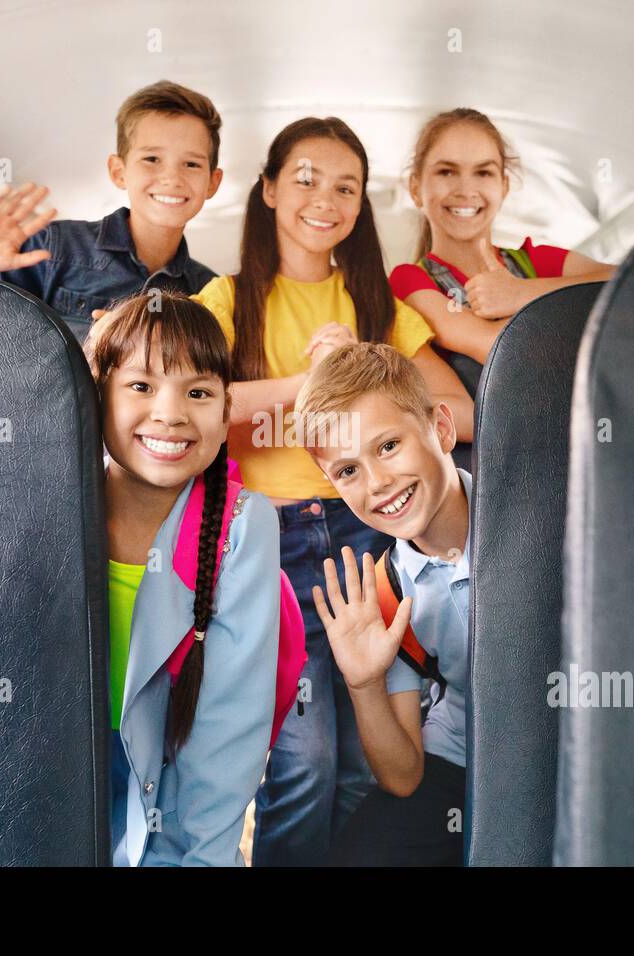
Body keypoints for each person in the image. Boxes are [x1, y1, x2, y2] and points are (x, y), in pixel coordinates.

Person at [191, 116, 473, 866]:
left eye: (347, 186)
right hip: (272, 542)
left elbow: (463, 411)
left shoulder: (377, 304)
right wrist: (317, 385)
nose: (327, 198)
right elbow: (202, 410)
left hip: (368, 538)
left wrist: (370, 365)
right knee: (301, 764)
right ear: (271, 190)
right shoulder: (225, 297)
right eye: (307, 179)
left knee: (362, 763)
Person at [86, 291, 280, 866]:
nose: (170, 414)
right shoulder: (48, 501)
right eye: (141, 386)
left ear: (226, 417)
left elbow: (226, 739)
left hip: (167, 816)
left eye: (198, 393)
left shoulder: (243, 527)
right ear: (94, 396)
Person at [0, 80, 224, 341]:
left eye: (191, 164)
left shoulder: (212, 290)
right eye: (152, 159)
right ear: (118, 171)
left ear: (213, 182)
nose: (171, 178)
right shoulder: (53, 248)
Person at [297, 342, 474, 866]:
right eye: (347, 471)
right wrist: (364, 682)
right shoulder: (384, 594)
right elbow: (403, 776)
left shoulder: (543, 518)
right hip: (466, 761)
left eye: (388, 446)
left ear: (441, 429)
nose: (377, 483)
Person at [392, 108, 614, 368]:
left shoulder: (537, 261)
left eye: (483, 173)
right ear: (416, 189)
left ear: (503, 187)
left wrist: (522, 293)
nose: (466, 190)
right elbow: (501, 351)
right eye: (446, 172)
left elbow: (626, 281)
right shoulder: (408, 282)